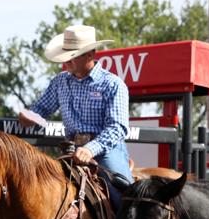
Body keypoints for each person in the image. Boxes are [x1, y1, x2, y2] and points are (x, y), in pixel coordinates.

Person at [19, 24, 133, 193]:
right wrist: (30, 116)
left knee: (122, 196)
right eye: (65, 55)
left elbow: (117, 128)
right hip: (70, 150)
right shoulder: (60, 81)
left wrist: (90, 149)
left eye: (72, 55)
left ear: (90, 54)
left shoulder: (112, 84)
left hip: (105, 153)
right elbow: (41, 108)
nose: (66, 61)